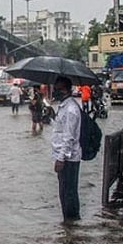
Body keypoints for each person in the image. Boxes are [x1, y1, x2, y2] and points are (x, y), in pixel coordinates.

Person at [51, 76, 82, 222]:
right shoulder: (64, 107)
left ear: (66, 90)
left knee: (68, 193)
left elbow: (69, 137)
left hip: (69, 159)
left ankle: (71, 221)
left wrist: (61, 159)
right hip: (63, 156)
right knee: (64, 192)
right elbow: (60, 131)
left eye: (58, 89)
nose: (55, 92)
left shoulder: (71, 109)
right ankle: (69, 225)